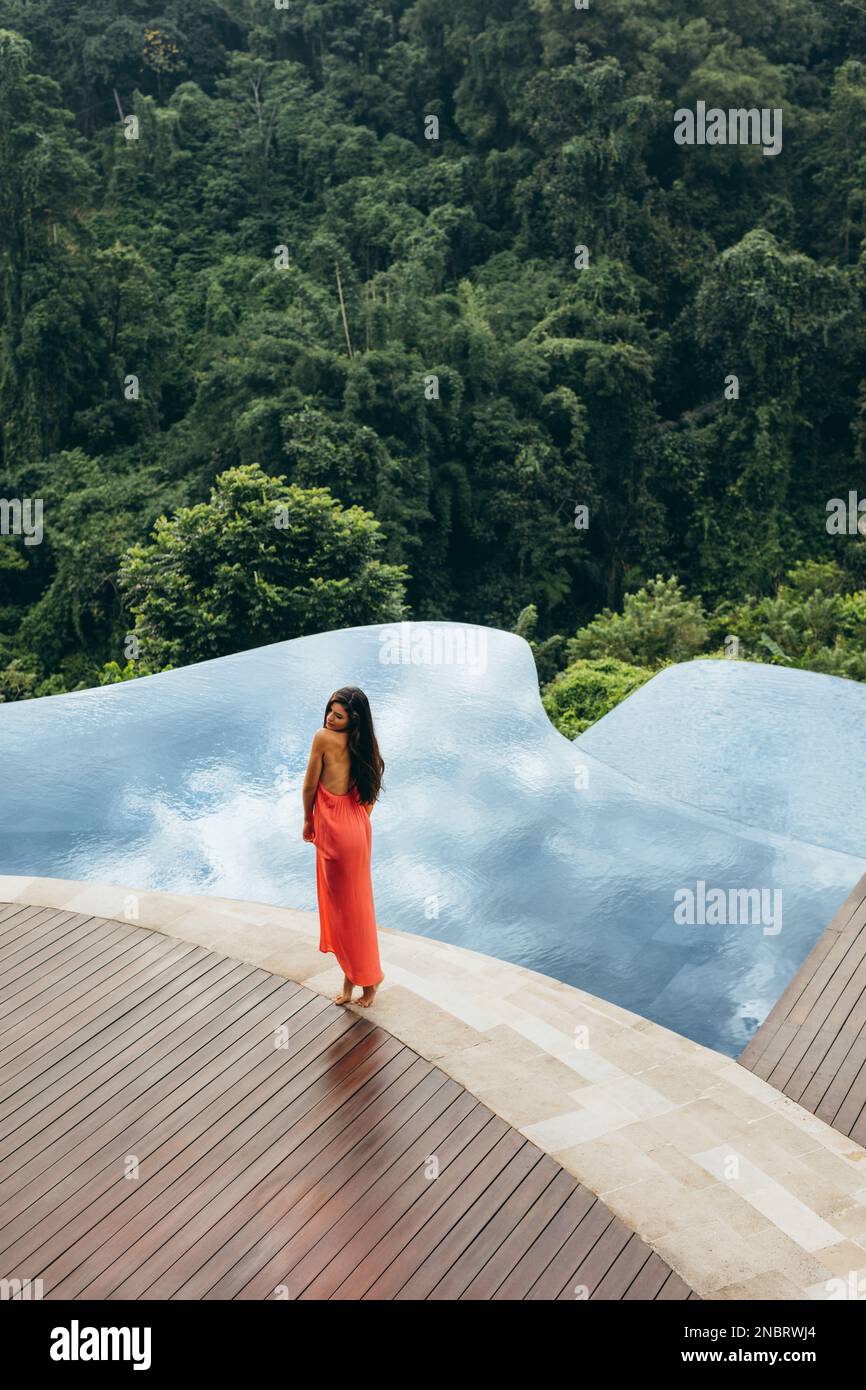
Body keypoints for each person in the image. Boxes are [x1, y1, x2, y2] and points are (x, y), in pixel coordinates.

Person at [302, 686, 385, 1007]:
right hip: (357, 829)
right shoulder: (364, 746)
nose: (329, 718)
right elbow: (370, 796)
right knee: (355, 909)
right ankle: (357, 982)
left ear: (354, 718)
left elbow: (310, 784)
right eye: (329, 712)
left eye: (338, 715)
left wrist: (309, 820)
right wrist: (355, 820)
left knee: (346, 912)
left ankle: (369, 981)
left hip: (336, 834)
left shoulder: (322, 737)